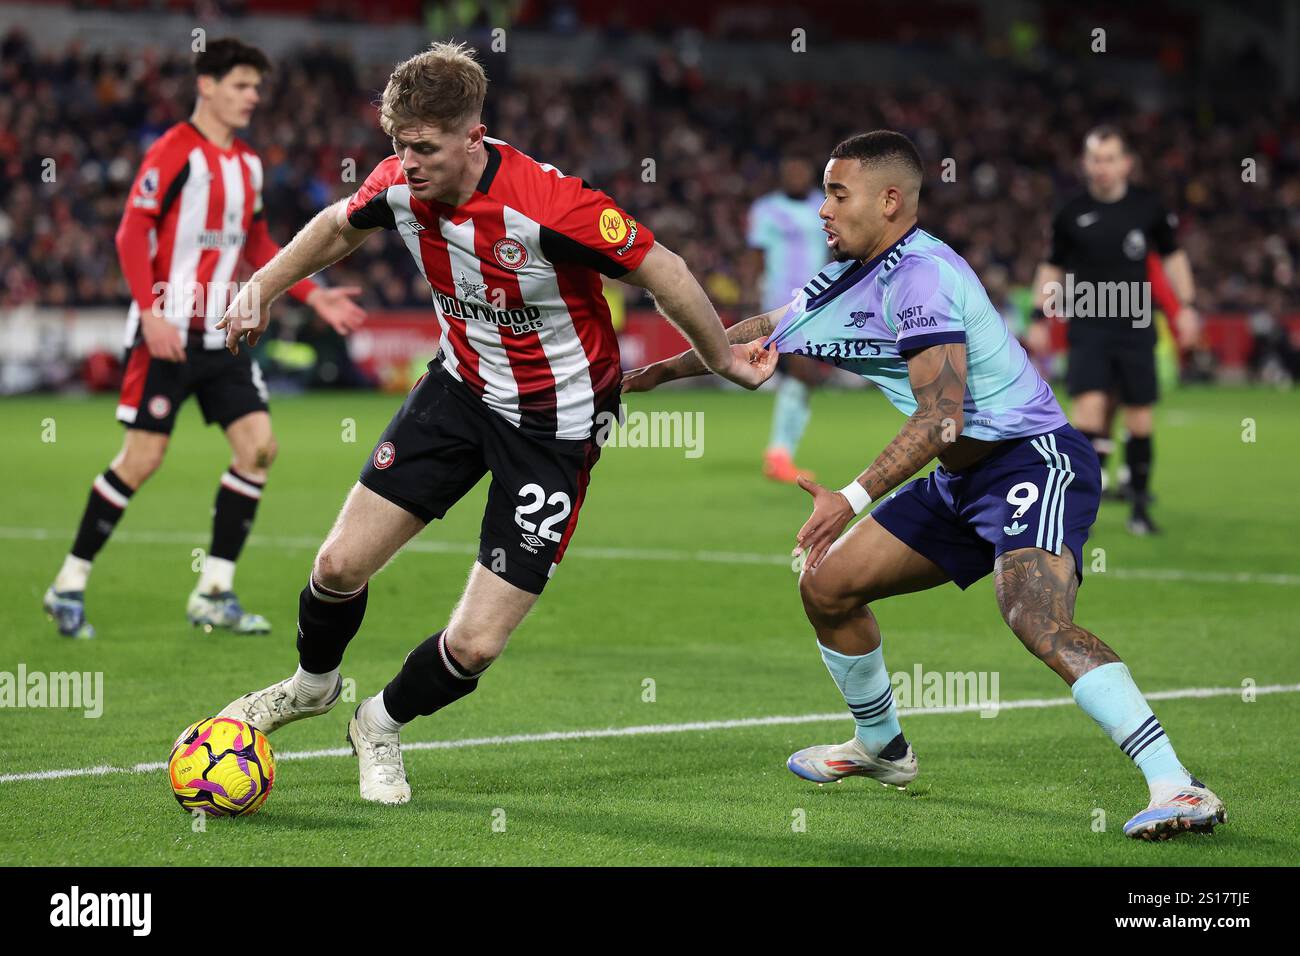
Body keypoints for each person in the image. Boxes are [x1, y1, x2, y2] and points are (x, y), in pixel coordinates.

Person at [214, 42, 775, 804]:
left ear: (473, 137)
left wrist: (722, 359)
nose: (405, 164)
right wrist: (264, 284)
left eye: (424, 148)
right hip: (458, 392)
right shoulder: (399, 183)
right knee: (339, 565)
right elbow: (340, 225)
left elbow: (665, 269)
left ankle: (378, 724)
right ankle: (314, 685)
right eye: (397, 146)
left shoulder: (553, 206)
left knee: (475, 643)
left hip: (559, 427)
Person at [625, 130, 1225, 841]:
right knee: (826, 584)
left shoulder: (923, 276)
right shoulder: (847, 275)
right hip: (959, 480)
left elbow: (943, 418)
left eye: (836, 193)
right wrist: (652, 374)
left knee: (1033, 612)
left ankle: (1177, 785)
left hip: (1032, 459)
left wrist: (849, 496)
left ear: (888, 201)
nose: (822, 210)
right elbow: (764, 329)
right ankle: (881, 747)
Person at [43, 38, 366, 639]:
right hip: (165, 333)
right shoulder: (171, 151)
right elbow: (129, 233)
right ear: (208, 86)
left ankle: (213, 590)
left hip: (222, 337)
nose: (253, 96)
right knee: (141, 461)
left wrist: (313, 293)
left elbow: (261, 247)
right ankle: (67, 583)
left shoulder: (249, 163)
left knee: (260, 449)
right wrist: (151, 312)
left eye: (257, 87)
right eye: (242, 84)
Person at [1028, 126, 1199, 534]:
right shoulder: (1070, 212)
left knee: (1139, 418)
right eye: (1095, 159)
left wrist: (1188, 308)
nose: (1102, 167)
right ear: (1085, 164)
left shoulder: (1149, 207)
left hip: (1137, 323)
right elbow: (1052, 265)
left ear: (1125, 163)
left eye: (1109, 158)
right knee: (1087, 411)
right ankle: (1078, 510)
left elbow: (1174, 258)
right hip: (1088, 323)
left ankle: (1140, 508)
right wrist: (1039, 314)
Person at [745, 154, 833, 483]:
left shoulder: (823, 207)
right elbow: (755, 255)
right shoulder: (766, 210)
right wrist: (748, 299)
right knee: (802, 372)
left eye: (801, 170)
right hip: (780, 303)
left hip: (819, 302)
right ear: (781, 175)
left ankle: (781, 454)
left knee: (805, 378)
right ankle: (779, 455)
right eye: (790, 170)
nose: (796, 176)